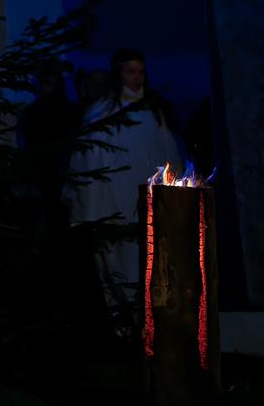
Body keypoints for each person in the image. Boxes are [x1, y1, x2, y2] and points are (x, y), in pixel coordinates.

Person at [68, 48, 183, 320]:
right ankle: (124, 321)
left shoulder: (154, 113)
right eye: (130, 72)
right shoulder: (102, 113)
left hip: (149, 204)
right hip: (114, 206)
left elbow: (169, 156)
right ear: (118, 74)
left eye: (140, 72)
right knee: (119, 264)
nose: (136, 78)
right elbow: (88, 162)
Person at [16, 62, 78, 230]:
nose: (46, 88)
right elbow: (25, 142)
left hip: (62, 170)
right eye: (43, 82)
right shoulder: (31, 112)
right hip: (40, 172)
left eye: (50, 83)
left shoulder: (69, 111)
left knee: (59, 215)